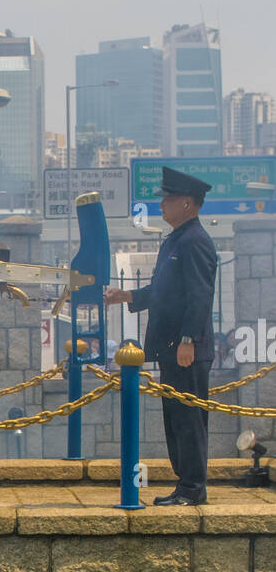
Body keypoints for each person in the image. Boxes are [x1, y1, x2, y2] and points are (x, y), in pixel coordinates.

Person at [105, 166, 217, 505]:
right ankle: (185, 485)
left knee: (189, 420)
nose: (161, 205)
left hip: (185, 348)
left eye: (168, 200)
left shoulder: (195, 241)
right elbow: (163, 291)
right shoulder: (176, 239)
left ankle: (193, 488)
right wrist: (127, 296)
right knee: (176, 419)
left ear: (187, 203)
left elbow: (200, 295)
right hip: (172, 346)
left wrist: (188, 340)